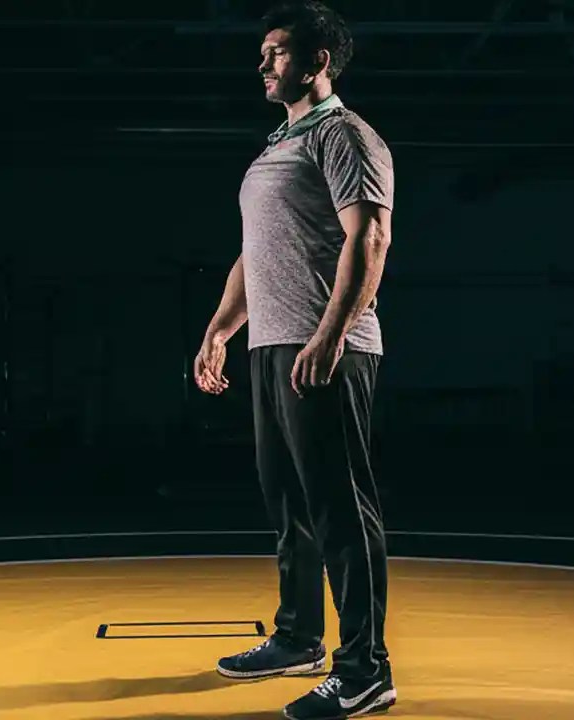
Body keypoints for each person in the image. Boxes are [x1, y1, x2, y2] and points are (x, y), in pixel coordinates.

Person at [193, 2, 396, 718]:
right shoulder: (276, 146)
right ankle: (298, 638)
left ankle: (366, 667)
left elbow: (369, 239)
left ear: (317, 62)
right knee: (290, 508)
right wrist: (220, 329)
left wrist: (330, 334)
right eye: (263, 51)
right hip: (271, 345)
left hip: (325, 349)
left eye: (277, 52)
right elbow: (256, 254)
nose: (263, 63)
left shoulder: (346, 136)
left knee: (341, 509)